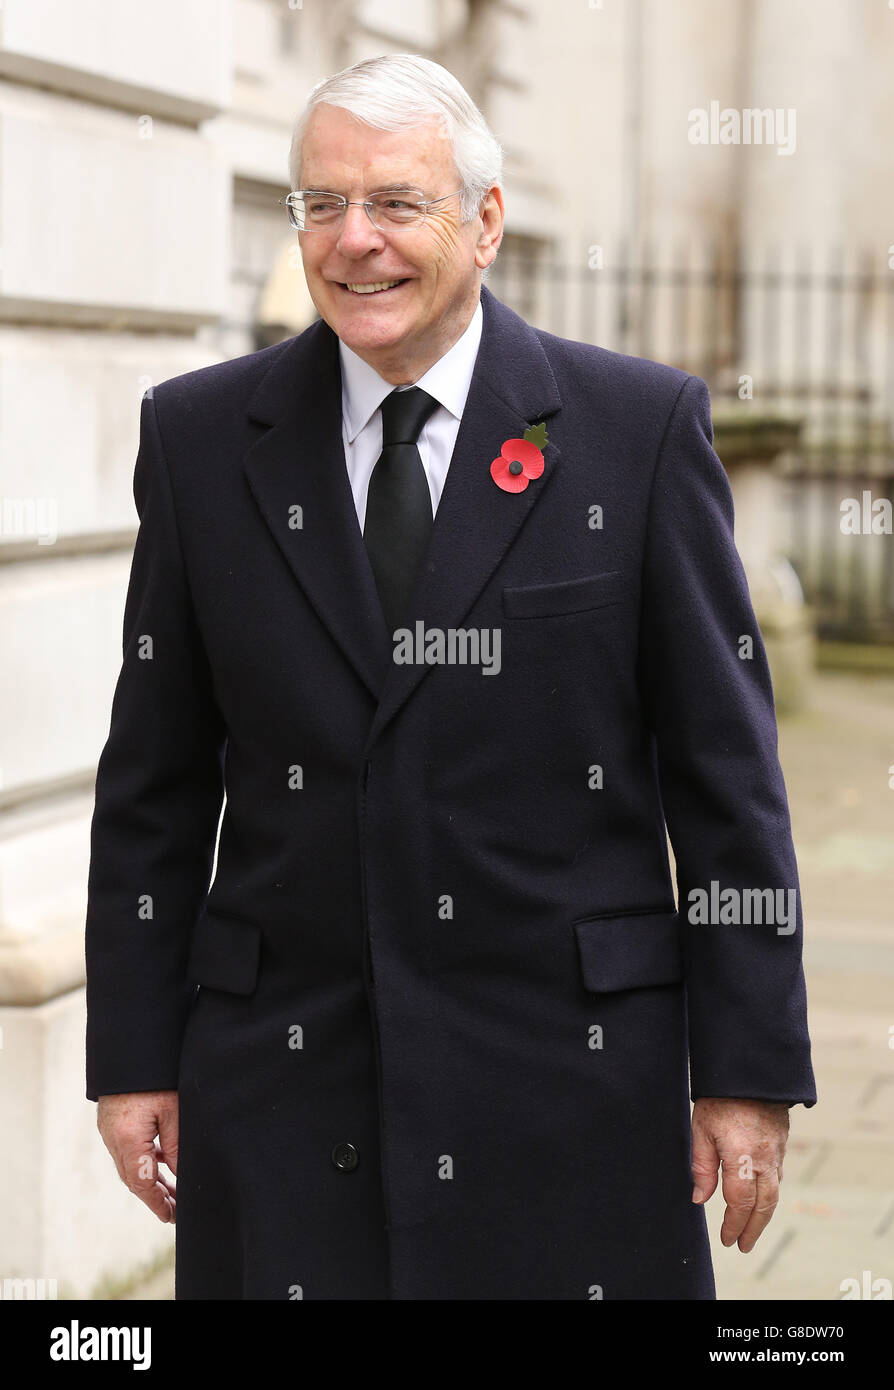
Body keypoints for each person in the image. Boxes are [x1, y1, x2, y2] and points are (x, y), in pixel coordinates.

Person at [85, 52, 816, 1301]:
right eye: (321, 204)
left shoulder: (635, 434)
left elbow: (727, 780)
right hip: (286, 1088)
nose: (352, 240)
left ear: (483, 222)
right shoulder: (200, 440)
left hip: (570, 1089)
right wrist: (133, 1054)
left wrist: (743, 1070)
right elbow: (153, 781)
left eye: (393, 203)